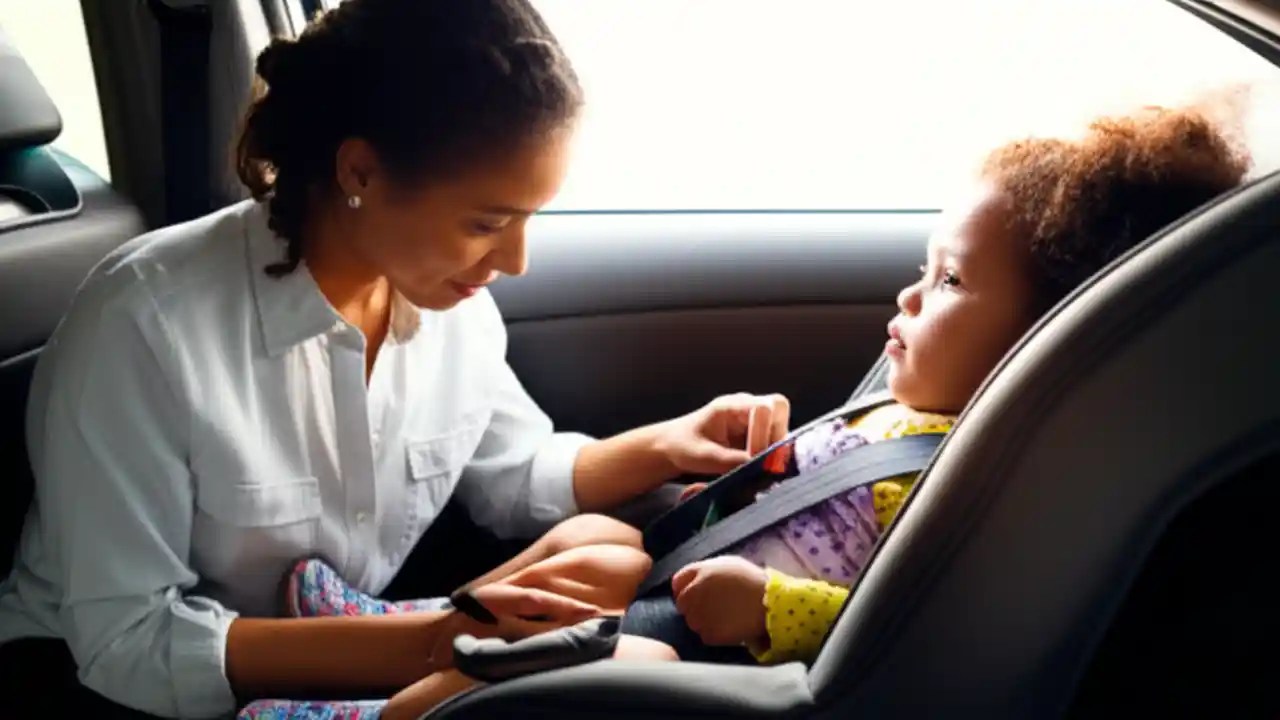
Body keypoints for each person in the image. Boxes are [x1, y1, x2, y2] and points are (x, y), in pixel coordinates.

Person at [252, 101, 1253, 718]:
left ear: (1055, 334)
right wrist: (718, 473)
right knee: (599, 539)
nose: (906, 298)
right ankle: (406, 624)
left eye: (947, 283)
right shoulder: (906, 418)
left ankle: (386, 709)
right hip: (686, 587)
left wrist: (764, 608)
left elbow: (896, 623)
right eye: (919, 267)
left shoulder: (982, 483)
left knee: (542, 661)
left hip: (719, 650)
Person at [0, 1, 793, 717]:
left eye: (526, 222)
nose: (514, 261)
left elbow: (512, 476)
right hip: (113, 685)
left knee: (606, 551)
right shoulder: (147, 324)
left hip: (339, 634)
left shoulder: (447, 309)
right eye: (487, 224)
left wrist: (671, 444)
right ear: (359, 173)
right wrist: (437, 642)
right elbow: (127, 643)